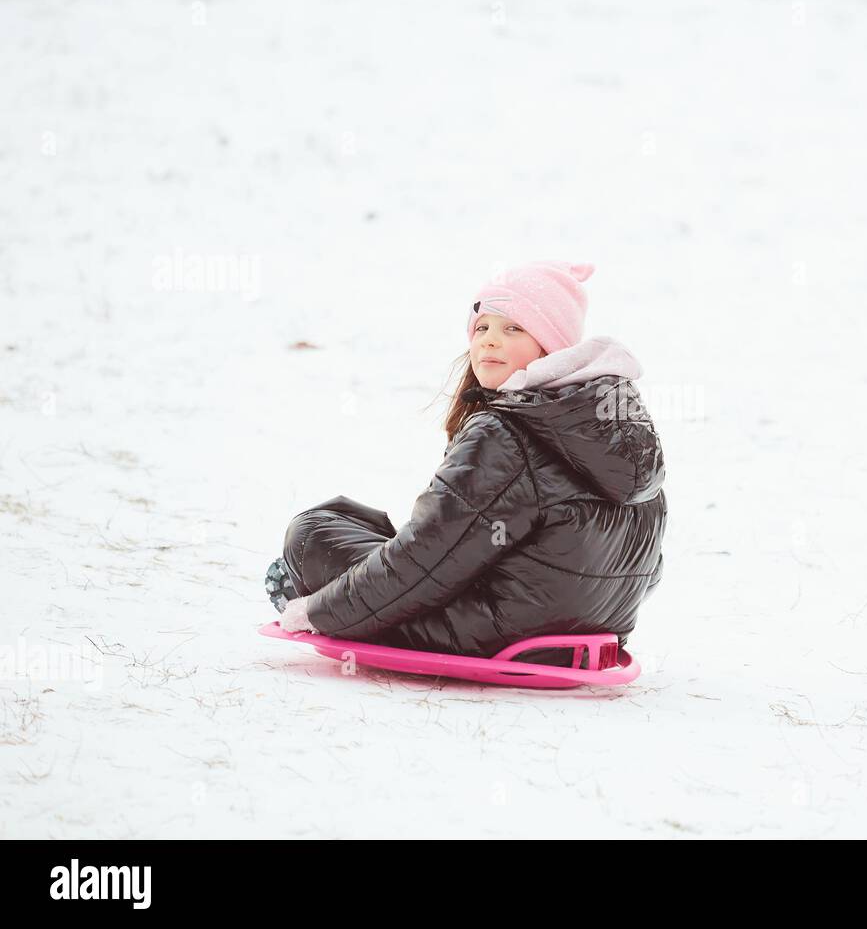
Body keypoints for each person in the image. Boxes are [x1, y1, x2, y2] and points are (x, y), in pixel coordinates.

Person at [263, 260, 666, 667]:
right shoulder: (617, 428)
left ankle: (319, 590)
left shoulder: (504, 432)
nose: (489, 342)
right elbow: (646, 571)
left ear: (552, 345)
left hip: (497, 630)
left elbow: (427, 560)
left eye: (513, 328)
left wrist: (315, 613)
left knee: (312, 533)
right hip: (593, 630)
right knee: (353, 518)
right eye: (483, 327)